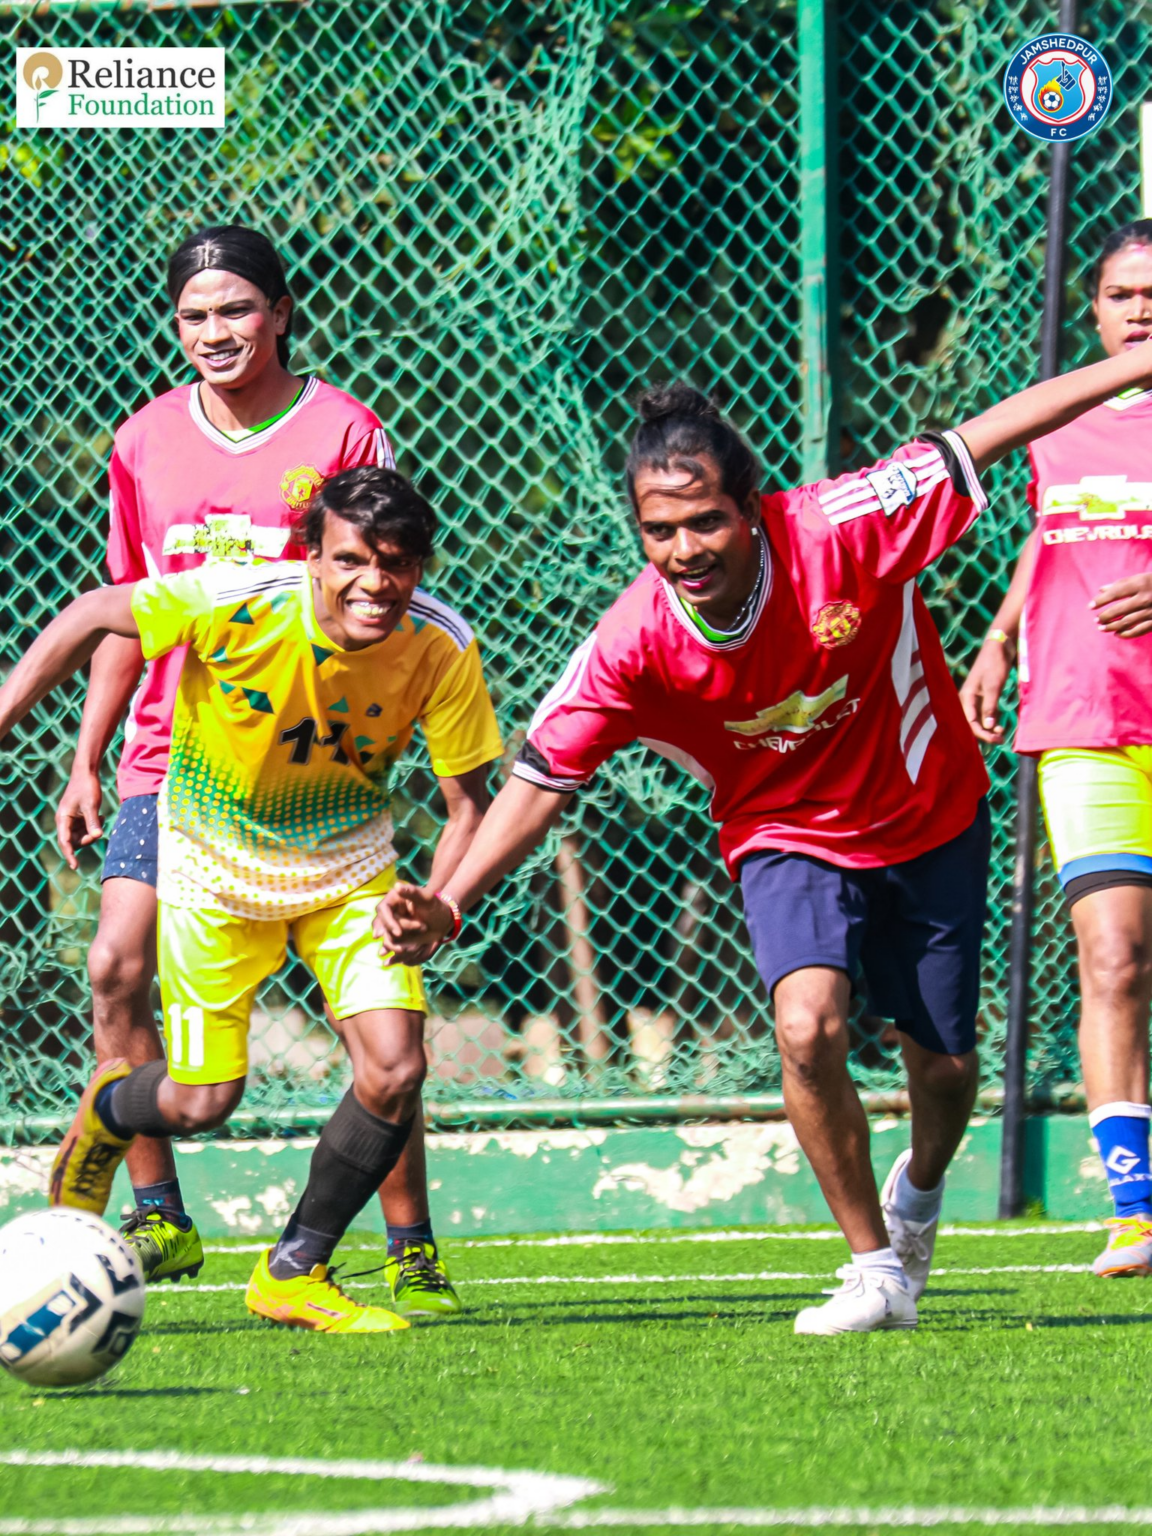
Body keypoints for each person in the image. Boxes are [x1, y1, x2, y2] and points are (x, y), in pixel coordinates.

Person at [378, 337, 1152, 1335]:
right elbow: (541, 777)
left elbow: (997, 429)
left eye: (705, 521)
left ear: (754, 508)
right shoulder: (633, 641)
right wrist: (449, 903)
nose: (684, 549)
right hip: (786, 834)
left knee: (947, 1073)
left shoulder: (843, 525)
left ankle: (917, 1201)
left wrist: (1134, 367)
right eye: (661, 530)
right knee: (807, 1027)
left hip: (928, 812)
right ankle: (873, 1269)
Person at [56, 225, 456, 1316]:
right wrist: (87, 754)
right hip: (170, 758)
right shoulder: (142, 443)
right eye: (194, 315)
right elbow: (123, 614)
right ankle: (157, 1213)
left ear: (280, 313)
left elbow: (380, 565)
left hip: (312, 768)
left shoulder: (343, 429)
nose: (215, 332)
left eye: (236, 310)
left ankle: (408, 1236)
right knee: (114, 967)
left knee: (380, 1013)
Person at [6, 466, 502, 1332]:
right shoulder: (237, 597)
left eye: (398, 562)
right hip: (213, 871)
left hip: (351, 878)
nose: (374, 583)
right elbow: (93, 614)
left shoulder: (443, 646)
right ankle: (108, 1112)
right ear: (311, 555)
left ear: (420, 565)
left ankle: (292, 1271)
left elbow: (470, 809)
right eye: (351, 558)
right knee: (203, 1102)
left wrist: (442, 901)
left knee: (395, 1067)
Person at [960, 219, 1152, 1279]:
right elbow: (1052, 530)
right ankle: (1136, 1210)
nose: (1141, 308)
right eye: (1123, 292)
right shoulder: (1060, 422)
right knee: (1113, 960)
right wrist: (994, 640)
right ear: (1094, 308)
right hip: (1083, 722)